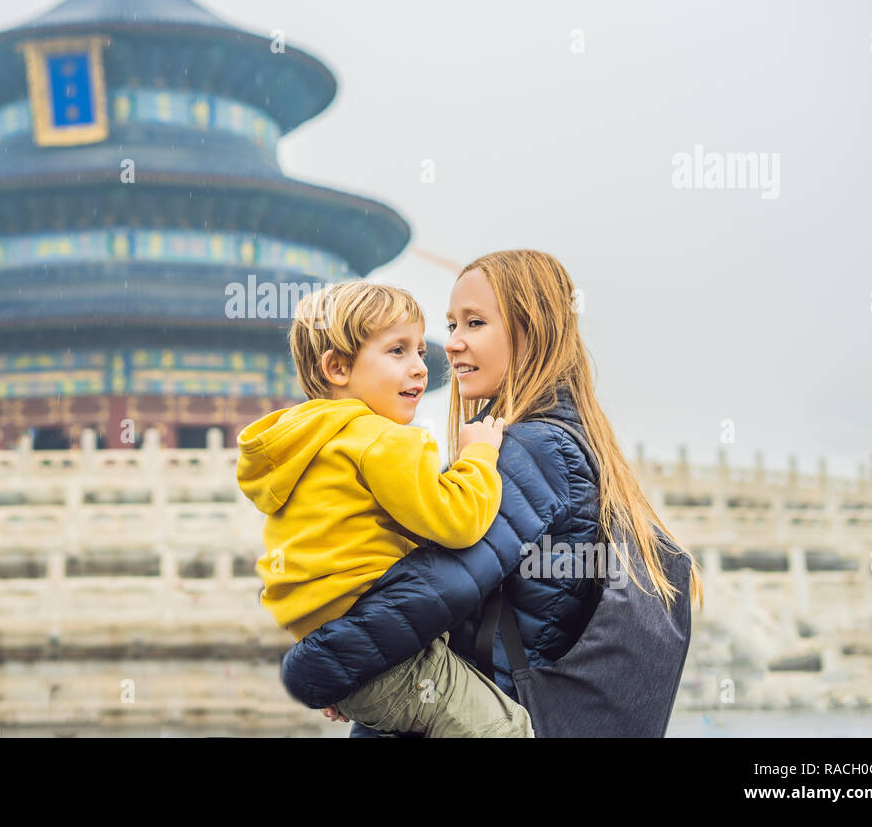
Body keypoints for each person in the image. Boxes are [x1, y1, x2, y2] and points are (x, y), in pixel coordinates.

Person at [279, 250, 704, 737]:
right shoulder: (563, 440)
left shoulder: (529, 449)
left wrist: (318, 668)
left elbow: (438, 587)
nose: (452, 344)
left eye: (474, 323)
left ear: (531, 330)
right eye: (452, 324)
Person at [236, 280, 534, 737]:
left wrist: (343, 674)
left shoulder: (304, 445)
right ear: (337, 368)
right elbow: (457, 522)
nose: (420, 368)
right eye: (398, 351)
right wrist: (480, 454)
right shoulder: (379, 439)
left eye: (419, 351)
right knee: (506, 729)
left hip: (344, 655)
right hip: (391, 657)